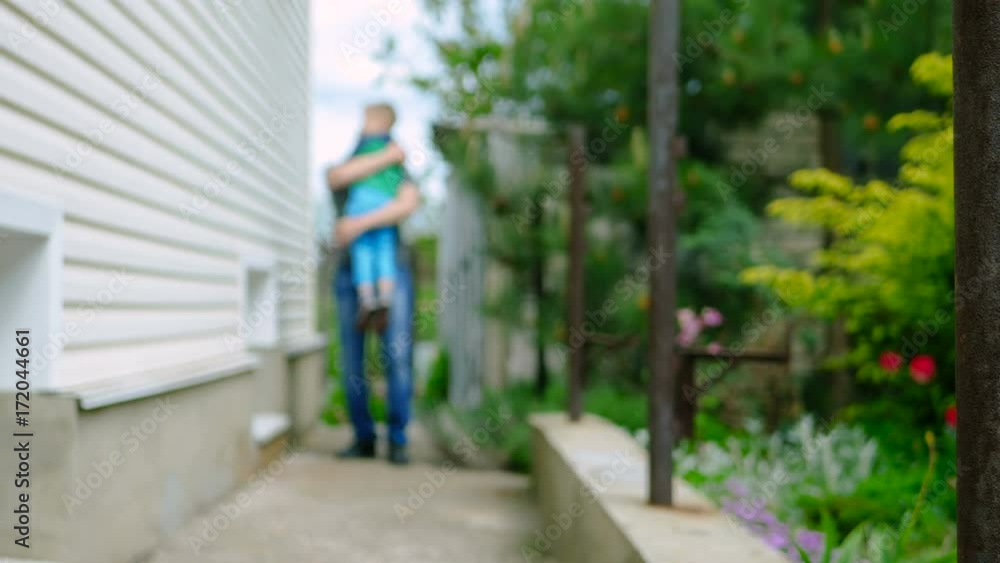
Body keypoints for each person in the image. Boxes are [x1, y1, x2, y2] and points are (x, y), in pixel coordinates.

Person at [327, 122, 420, 465]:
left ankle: (397, 439)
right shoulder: (356, 162)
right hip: (348, 274)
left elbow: (406, 205)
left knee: (397, 357)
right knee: (352, 361)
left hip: (393, 274)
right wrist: (389, 154)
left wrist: (356, 224)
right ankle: (363, 438)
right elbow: (336, 177)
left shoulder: (400, 174)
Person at [342, 104, 407, 332]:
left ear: (381, 122)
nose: (363, 125)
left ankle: (367, 299)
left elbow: (342, 172)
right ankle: (385, 299)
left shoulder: (364, 145)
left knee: (363, 251)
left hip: (363, 201)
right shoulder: (393, 147)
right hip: (385, 204)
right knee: (384, 251)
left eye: (367, 120)